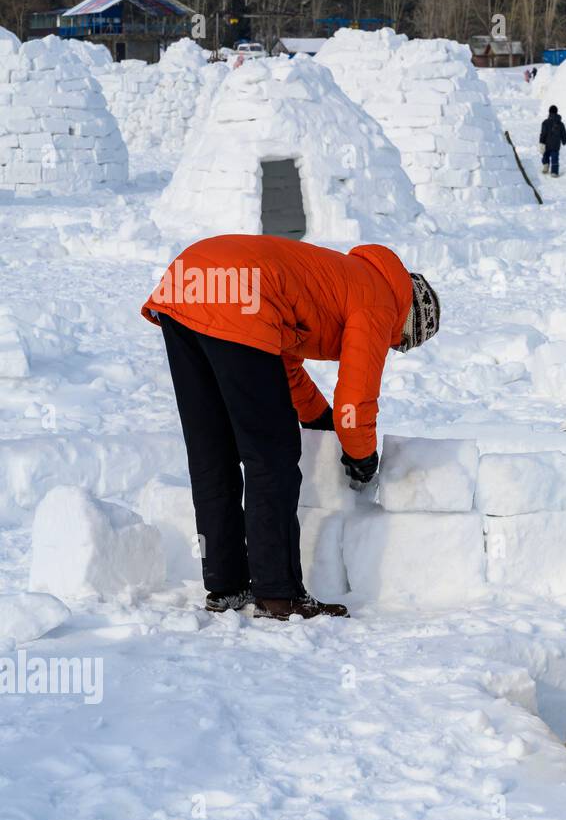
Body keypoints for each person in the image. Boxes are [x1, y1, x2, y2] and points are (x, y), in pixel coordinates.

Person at [141, 235, 442, 619]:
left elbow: (277, 359)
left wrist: (317, 416)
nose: (392, 346)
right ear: (409, 317)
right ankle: (279, 593)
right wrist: (360, 453)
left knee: (213, 451)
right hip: (237, 293)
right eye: (401, 342)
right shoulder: (380, 300)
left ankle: (226, 585)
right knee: (273, 455)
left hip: (185, 282)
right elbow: (355, 399)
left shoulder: (344, 279)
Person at [540, 104, 566, 177]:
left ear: (549, 112)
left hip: (547, 144)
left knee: (545, 156)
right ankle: (554, 172)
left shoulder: (545, 122)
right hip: (556, 145)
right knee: (555, 158)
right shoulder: (561, 124)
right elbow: (563, 133)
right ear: (557, 112)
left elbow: (543, 134)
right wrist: (564, 140)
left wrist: (541, 142)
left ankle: (546, 166)